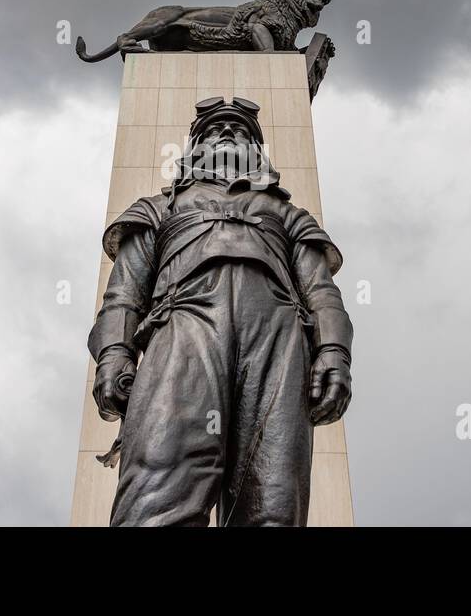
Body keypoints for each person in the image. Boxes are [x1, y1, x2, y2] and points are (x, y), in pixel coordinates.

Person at [87, 95, 353, 526]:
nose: (227, 133)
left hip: (278, 338)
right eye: (214, 130)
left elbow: (322, 292)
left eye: (240, 131)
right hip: (184, 331)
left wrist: (335, 350)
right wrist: (114, 352)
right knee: (158, 491)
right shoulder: (158, 208)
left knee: (273, 502)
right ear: (194, 147)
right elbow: (123, 295)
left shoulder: (287, 214)